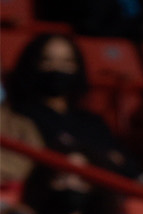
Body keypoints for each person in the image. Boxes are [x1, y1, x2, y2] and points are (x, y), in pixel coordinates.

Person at [1, 33, 129, 172]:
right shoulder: (19, 119)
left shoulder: (93, 122)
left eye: (67, 62)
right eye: (47, 61)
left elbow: (124, 162)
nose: (57, 69)